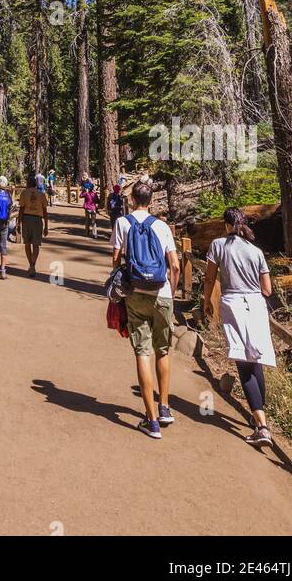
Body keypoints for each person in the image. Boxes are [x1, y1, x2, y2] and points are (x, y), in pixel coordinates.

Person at [112, 177, 180, 439]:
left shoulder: (123, 223)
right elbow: (174, 265)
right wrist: (171, 293)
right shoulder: (162, 227)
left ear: (131, 200)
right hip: (162, 293)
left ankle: (151, 420)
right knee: (163, 350)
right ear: (151, 201)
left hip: (135, 293)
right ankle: (165, 407)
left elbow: (116, 259)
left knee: (143, 352)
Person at [203, 208, 276, 447]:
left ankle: (262, 427)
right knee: (256, 361)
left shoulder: (218, 245)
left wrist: (206, 302)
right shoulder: (256, 251)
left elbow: (210, 278)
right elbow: (267, 290)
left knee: (244, 366)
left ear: (226, 225)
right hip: (255, 303)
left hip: (233, 302)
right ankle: (260, 418)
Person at [18, 174, 48, 276]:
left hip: (26, 219)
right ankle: (33, 265)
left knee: (27, 244)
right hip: (37, 220)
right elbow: (45, 211)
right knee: (36, 244)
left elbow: (21, 209)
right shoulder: (41, 194)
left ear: (28, 184)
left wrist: (19, 223)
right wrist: (46, 227)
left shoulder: (24, 193)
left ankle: (31, 265)